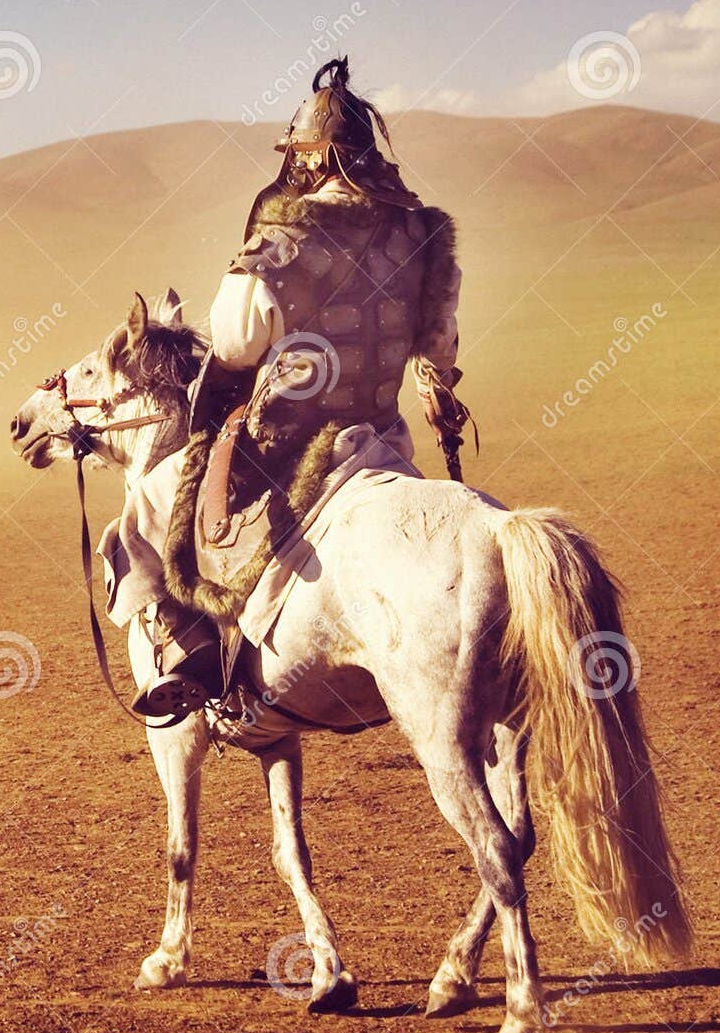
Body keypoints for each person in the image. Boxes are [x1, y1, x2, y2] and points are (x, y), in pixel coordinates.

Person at [110, 57, 467, 723]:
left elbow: (236, 341)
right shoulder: (423, 237)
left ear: (313, 158)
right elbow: (439, 345)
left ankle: (191, 654)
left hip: (287, 446)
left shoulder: (281, 236)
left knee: (158, 497)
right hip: (381, 441)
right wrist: (437, 386)